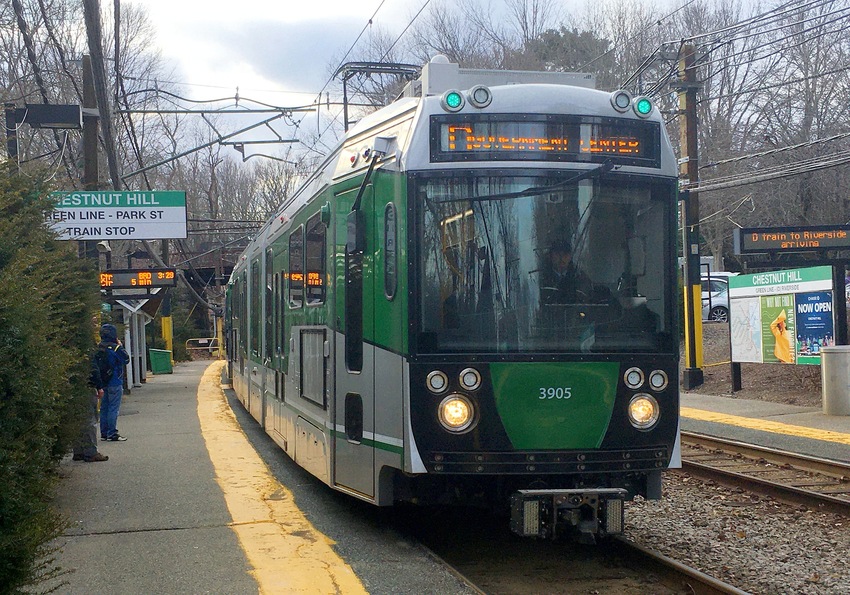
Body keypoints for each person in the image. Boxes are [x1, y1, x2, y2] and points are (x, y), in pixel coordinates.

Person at [94, 323, 131, 441]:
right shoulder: (116, 348)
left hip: (103, 381)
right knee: (113, 408)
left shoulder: (99, 347)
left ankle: (104, 433)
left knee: (104, 407)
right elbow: (126, 360)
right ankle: (112, 433)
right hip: (115, 380)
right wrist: (121, 346)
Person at [71, 355, 109, 462]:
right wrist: (99, 386)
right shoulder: (87, 350)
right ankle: (91, 452)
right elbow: (93, 368)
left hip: (72, 387)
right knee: (90, 420)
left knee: (76, 419)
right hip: (87, 387)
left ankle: (78, 451)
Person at [539, 239, 592, 304]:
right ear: (551, 256)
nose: (562, 258)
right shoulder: (541, 278)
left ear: (570, 256)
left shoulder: (580, 278)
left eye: (565, 254)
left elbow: (587, 300)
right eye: (557, 254)